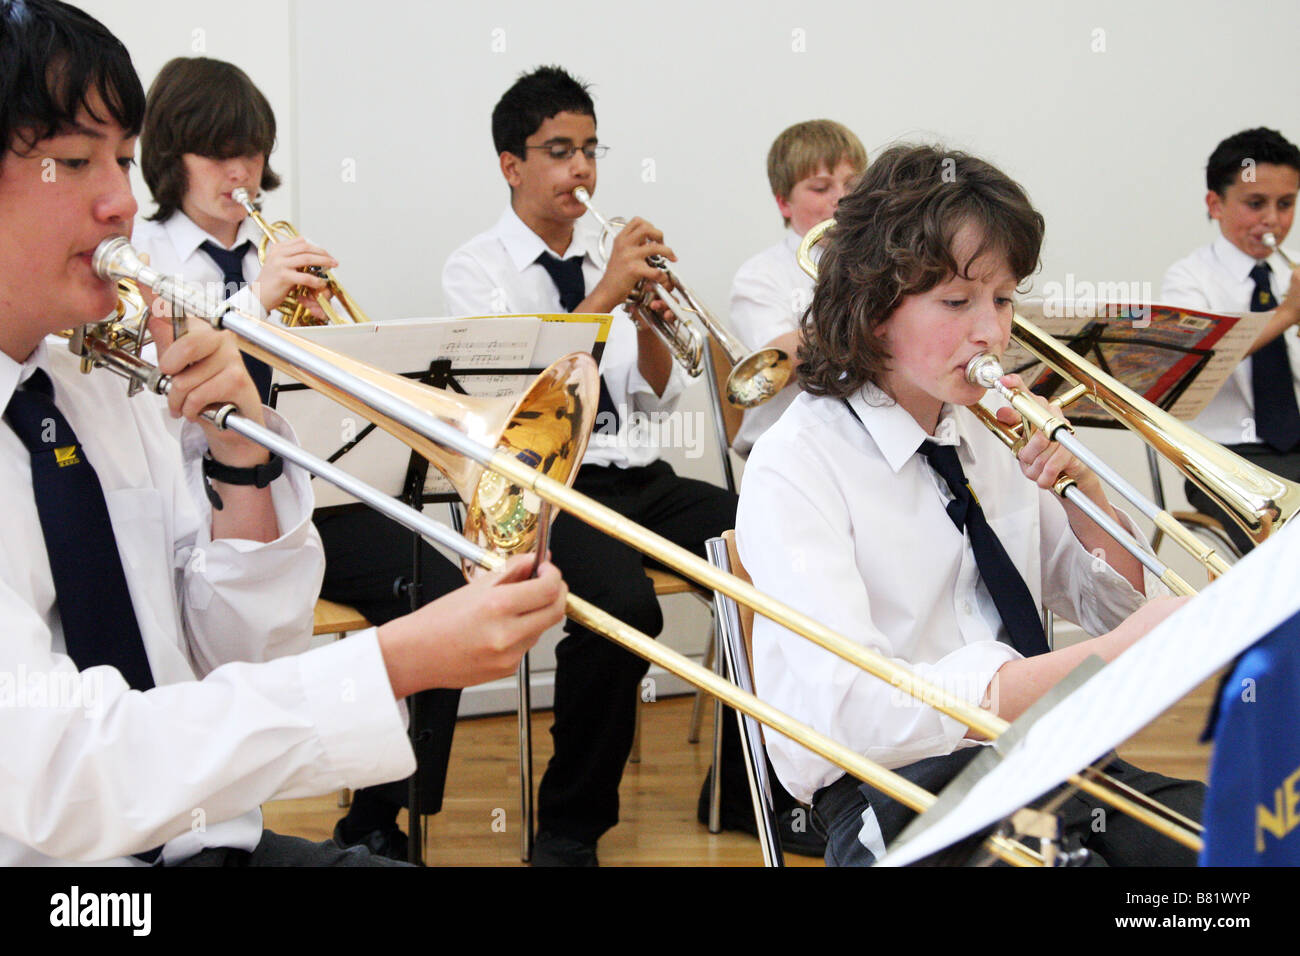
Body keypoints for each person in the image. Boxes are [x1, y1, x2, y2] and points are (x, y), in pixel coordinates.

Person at [0, 0, 566, 867]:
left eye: (120, 158)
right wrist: (390, 664)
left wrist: (244, 460)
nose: (119, 202)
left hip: (208, 838)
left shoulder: (99, 378)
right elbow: (58, 779)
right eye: (75, 162)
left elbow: (236, 658)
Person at [737, 143, 1205, 866]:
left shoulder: (989, 429)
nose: (992, 331)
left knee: (1252, 842)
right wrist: (1102, 662)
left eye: (1004, 298)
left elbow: (1109, 607)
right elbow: (853, 713)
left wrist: (1085, 493)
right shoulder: (798, 463)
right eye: (957, 302)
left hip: (1051, 764)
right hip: (895, 797)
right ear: (872, 311)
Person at [442, 65, 821, 864]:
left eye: (588, 150)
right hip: (546, 487)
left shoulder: (602, 255)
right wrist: (607, 293)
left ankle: (748, 787)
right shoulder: (475, 269)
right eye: (558, 151)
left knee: (772, 548)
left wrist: (648, 318)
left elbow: (650, 398)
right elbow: (515, 399)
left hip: (634, 473)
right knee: (624, 613)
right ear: (512, 166)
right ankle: (569, 830)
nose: (580, 169)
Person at [132, 54, 469, 861]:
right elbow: (171, 405)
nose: (239, 171)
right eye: (217, 151)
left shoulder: (270, 253)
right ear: (170, 158)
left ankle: (379, 819)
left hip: (301, 503)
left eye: (250, 151)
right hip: (196, 513)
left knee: (438, 592)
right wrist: (256, 309)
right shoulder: (138, 257)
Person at [1161, 127, 1300, 556]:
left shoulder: (1287, 281)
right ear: (1215, 204)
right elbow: (1198, 360)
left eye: (1286, 204)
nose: (1273, 220)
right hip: (1225, 463)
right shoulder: (1188, 281)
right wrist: (1286, 315)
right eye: (1255, 204)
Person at [729, 119, 866, 457]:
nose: (842, 198)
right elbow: (776, 367)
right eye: (821, 188)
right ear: (783, 204)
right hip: (790, 447)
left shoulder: (879, 259)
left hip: (866, 436)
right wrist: (865, 308)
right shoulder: (759, 276)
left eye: (852, 184)